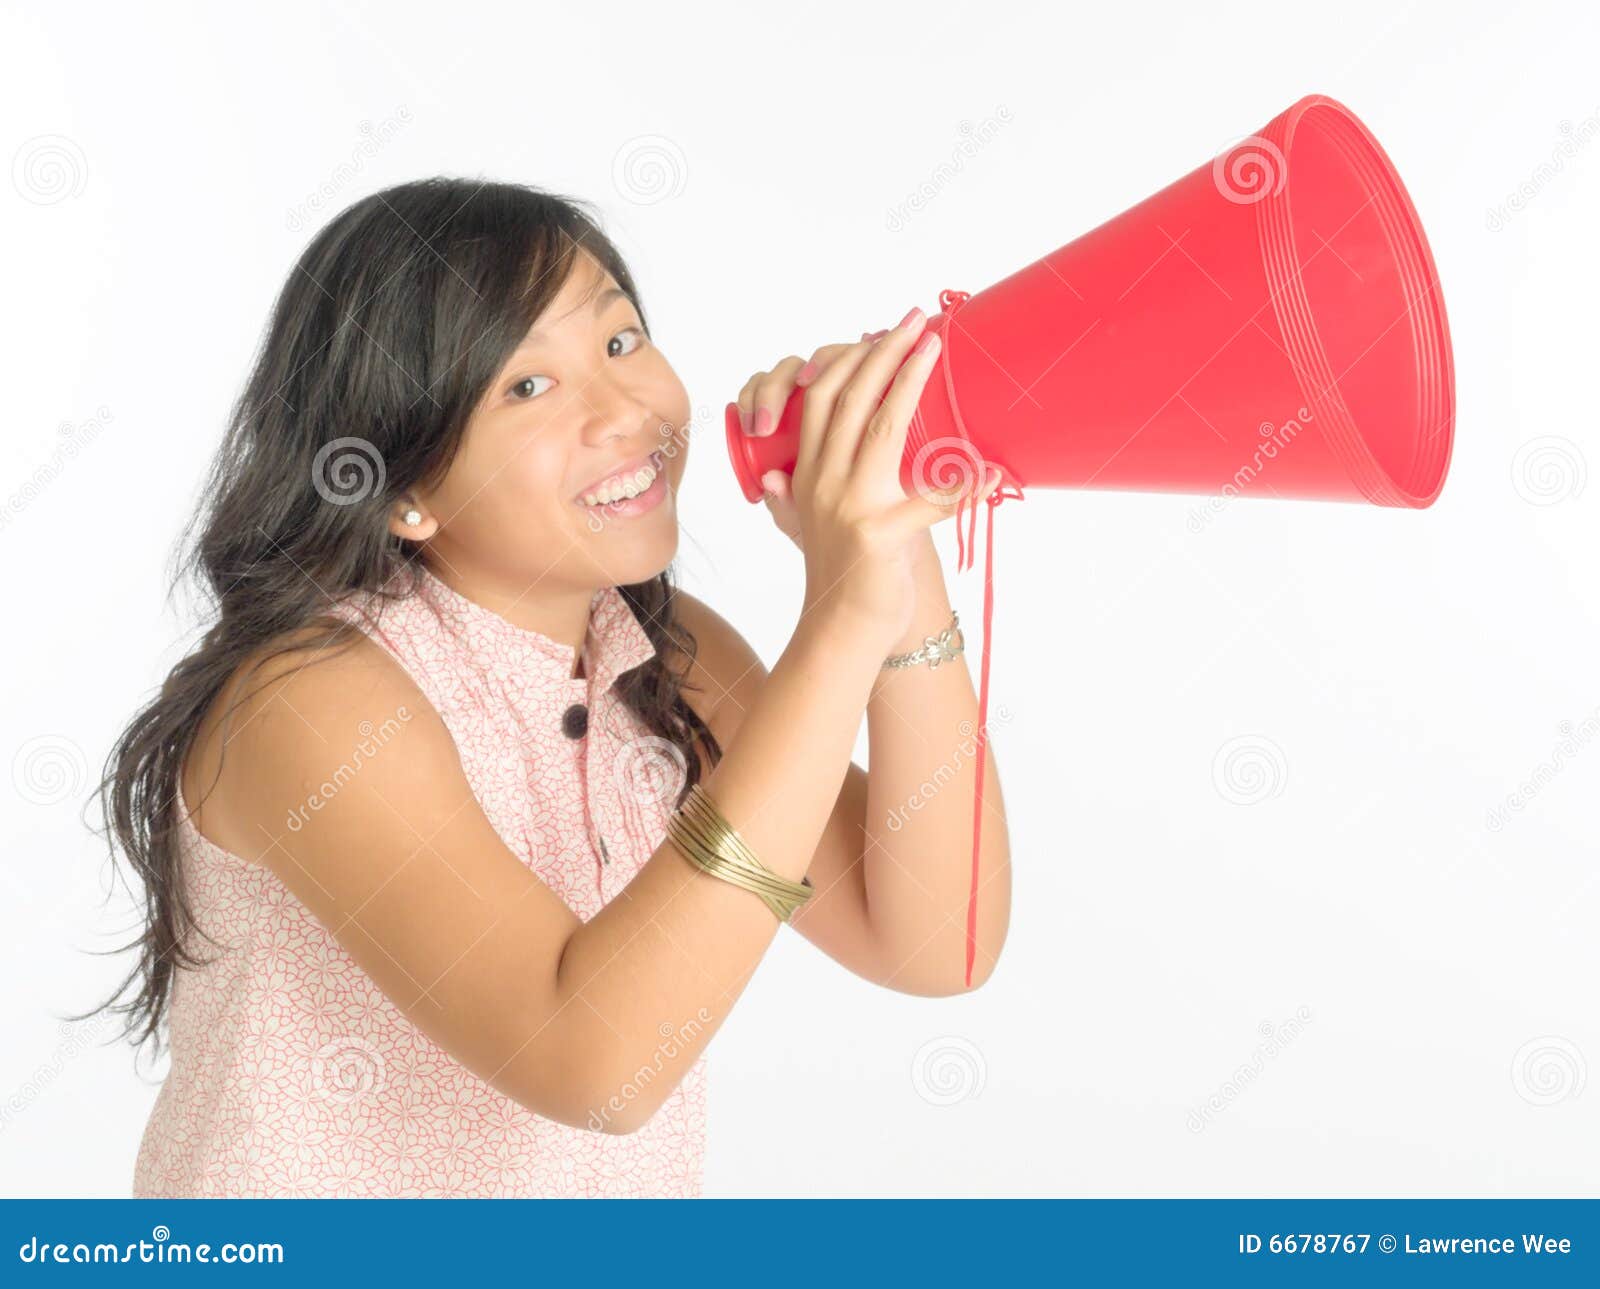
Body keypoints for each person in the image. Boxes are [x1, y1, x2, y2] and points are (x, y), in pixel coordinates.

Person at [86, 177, 1012, 1198]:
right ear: (404, 493)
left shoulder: (670, 658)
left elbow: (933, 937)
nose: (624, 411)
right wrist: (840, 624)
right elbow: (599, 1064)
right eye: (527, 386)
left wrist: (896, 559)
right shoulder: (311, 704)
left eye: (618, 343)